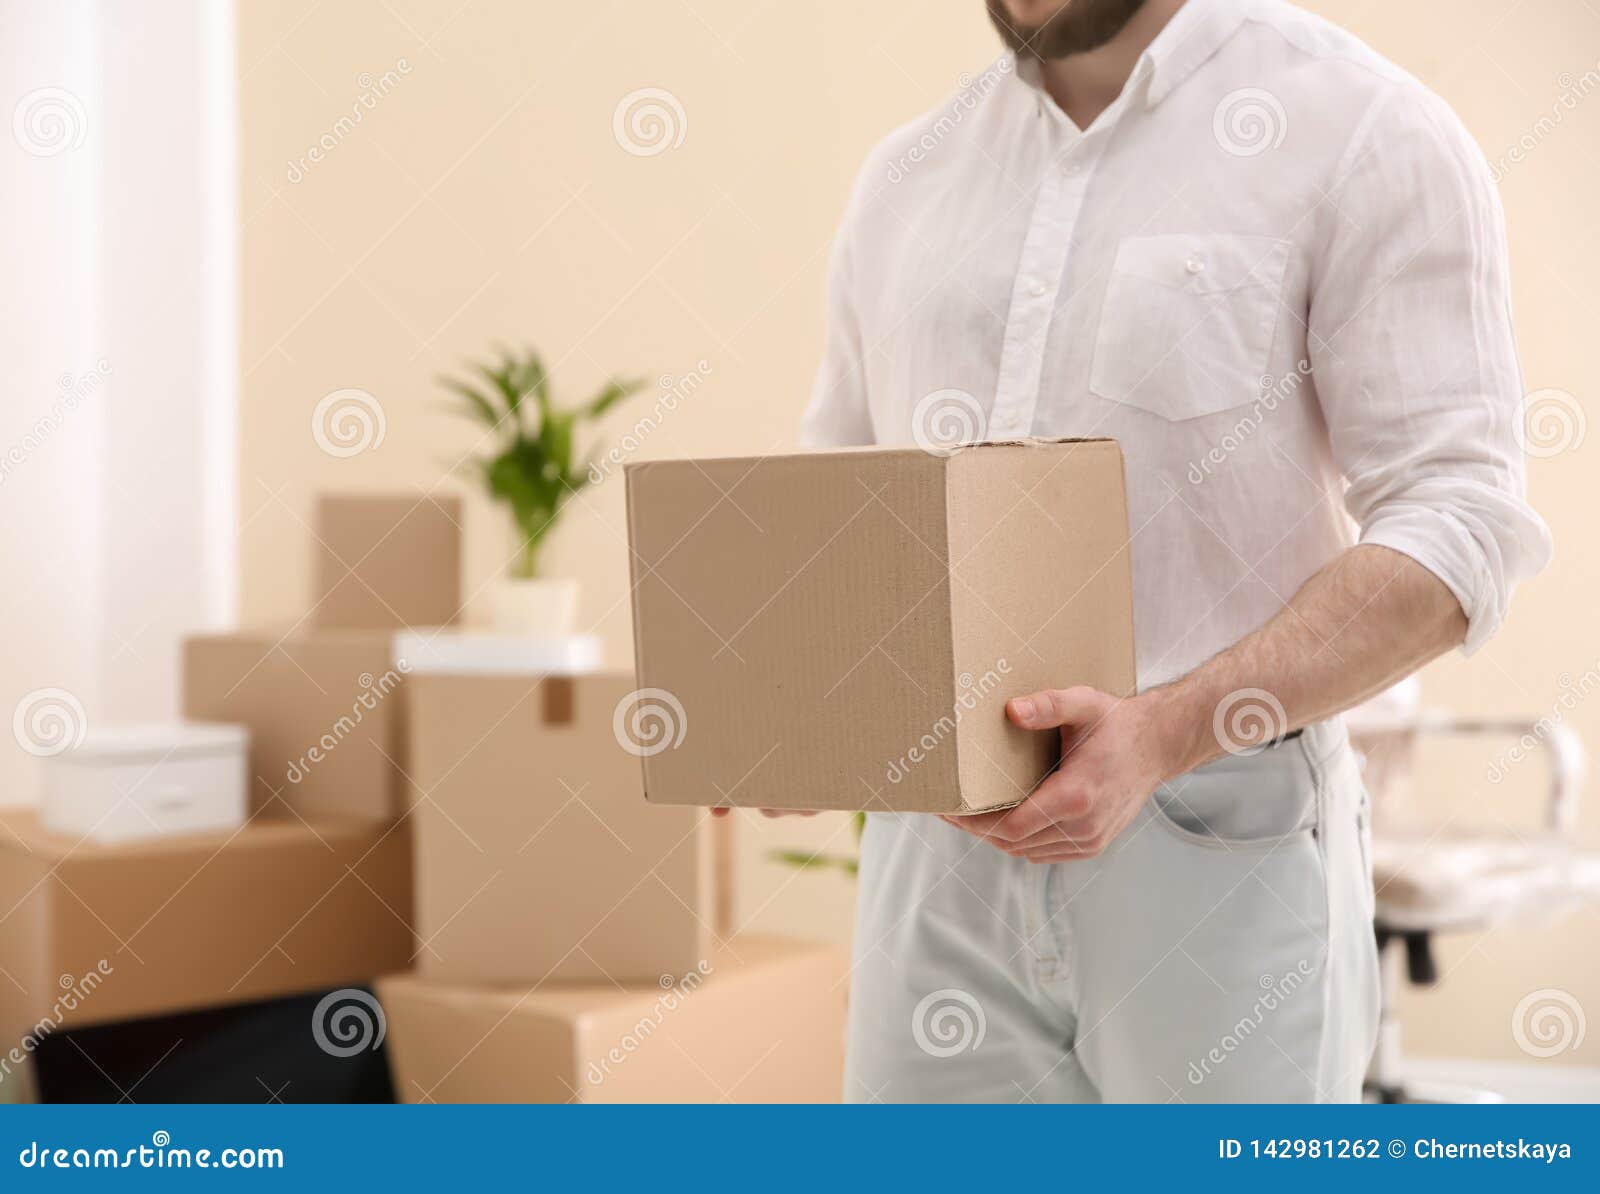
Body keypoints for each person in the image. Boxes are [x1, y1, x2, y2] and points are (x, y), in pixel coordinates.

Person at [786, 0, 1550, 1102]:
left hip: (1216, 838)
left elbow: (1461, 522)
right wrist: (797, 711)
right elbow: (848, 506)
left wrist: (1164, 731)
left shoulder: (1363, 129)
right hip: (937, 857)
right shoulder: (908, 175)